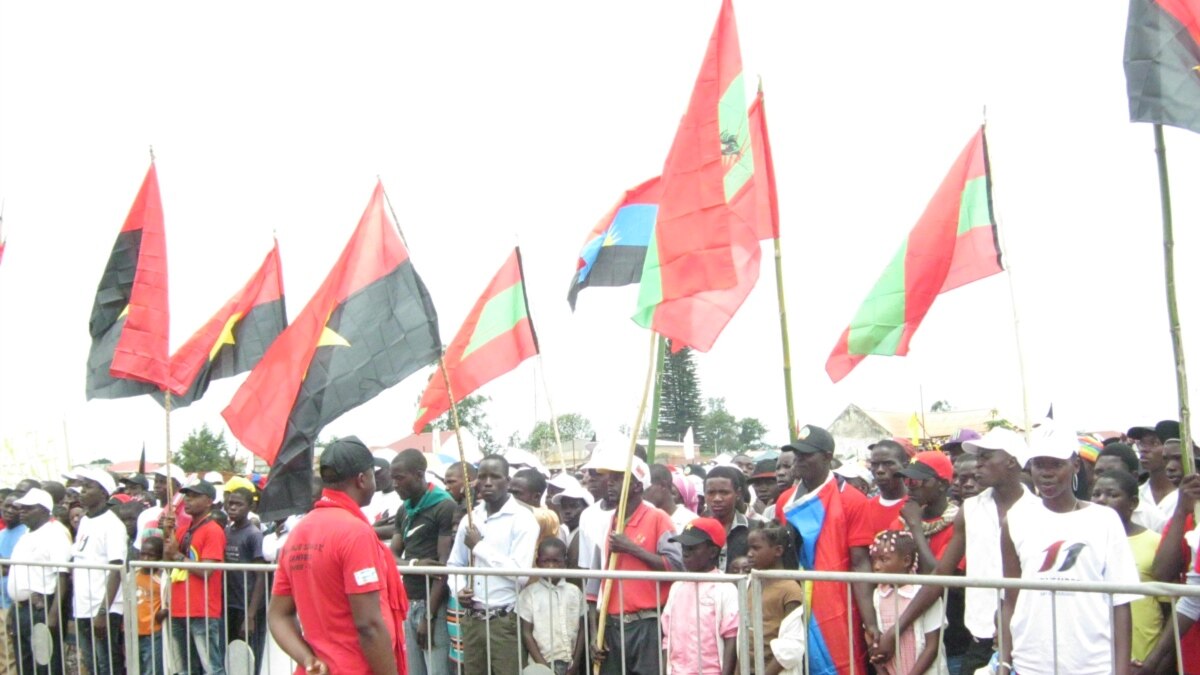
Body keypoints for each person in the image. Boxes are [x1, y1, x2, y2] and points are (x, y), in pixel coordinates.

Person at [871, 427, 1033, 675]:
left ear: (1011, 461)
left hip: (1031, 635)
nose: (978, 465)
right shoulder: (971, 510)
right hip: (981, 636)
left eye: (987, 457)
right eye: (978, 457)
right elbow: (940, 575)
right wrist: (896, 630)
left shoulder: (1040, 513)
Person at [999, 429, 1139, 675]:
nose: (1046, 472)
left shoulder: (1104, 520)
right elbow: (1011, 599)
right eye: (1039, 464)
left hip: (1093, 664)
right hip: (1031, 663)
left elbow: (1121, 603)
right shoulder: (1016, 519)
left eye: (1056, 464)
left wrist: (1121, 670)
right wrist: (1005, 661)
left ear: (1075, 465)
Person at [268, 436, 408, 675]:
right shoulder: (355, 533)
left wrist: (308, 660)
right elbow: (369, 625)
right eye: (372, 475)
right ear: (362, 480)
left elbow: (278, 616)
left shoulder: (299, 532)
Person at [775, 425, 873, 675]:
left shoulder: (852, 500)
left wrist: (870, 621)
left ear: (828, 457)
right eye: (797, 453)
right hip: (792, 604)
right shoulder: (785, 501)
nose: (799, 459)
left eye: (807, 454)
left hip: (836, 604)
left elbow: (860, 562)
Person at [589, 452, 682, 675]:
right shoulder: (605, 522)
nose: (610, 483)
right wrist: (595, 632)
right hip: (610, 624)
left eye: (619, 478)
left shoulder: (658, 518)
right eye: (609, 477)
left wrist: (632, 549)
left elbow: (676, 565)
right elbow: (593, 586)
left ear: (638, 486)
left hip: (647, 623)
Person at [447, 454, 539, 675]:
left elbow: (520, 574)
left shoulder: (523, 519)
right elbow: (454, 564)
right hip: (472, 619)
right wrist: (459, 589)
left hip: (504, 621)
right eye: (482, 476)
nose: (487, 482)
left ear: (507, 482)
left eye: (495, 477)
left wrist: (479, 547)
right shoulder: (470, 518)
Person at [1090, 470, 1167, 666]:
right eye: (1096, 494)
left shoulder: (1155, 542)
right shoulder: (1083, 543)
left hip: (1144, 658)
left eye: (1112, 494)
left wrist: (1155, 661)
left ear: (1133, 503)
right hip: (1096, 657)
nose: (1101, 500)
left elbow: (1168, 608)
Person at [391, 448, 456, 675]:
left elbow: (444, 565)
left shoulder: (444, 506)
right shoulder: (404, 510)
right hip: (408, 601)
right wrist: (415, 564)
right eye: (393, 478)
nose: (394, 484)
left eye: (399, 478)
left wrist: (429, 615)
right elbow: (392, 558)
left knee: (437, 671)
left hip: (433, 604)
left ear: (419, 475)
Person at [162, 480, 227, 675]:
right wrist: (167, 532)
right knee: (184, 668)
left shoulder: (213, 530)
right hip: (179, 608)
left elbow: (207, 570)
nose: (187, 500)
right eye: (187, 496)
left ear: (208, 501)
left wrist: (177, 556)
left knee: (211, 668)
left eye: (194, 496)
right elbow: (167, 561)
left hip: (202, 609)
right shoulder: (184, 529)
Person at [69, 467, 128, 675]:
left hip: (103, 606)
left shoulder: (112, 524)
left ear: (103, 492)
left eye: (88, 487)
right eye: (82, 486)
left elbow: (116, 568)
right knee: (91, 663)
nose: (82, 491)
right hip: (84, 605)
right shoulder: (85, 521)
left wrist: (103, 611)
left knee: (108, 664)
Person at [660, 518, 739, 675]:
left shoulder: (725, 588)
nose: (686, 553)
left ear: (712, 552)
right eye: (684, 547)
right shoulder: (677, 587)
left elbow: (731, 637)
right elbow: (667, 638)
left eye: (692, 548)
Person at [6, 488, 71, 675]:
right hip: (21, 608)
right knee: (25, 664)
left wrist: (52, 616)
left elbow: (62, 576)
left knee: (46, 664)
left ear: (43, 510)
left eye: (28, 508)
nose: (22, 512)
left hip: (40, 608)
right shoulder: (26, 535)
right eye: (22, 508)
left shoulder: (55, 534)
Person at [868, 530, 948, 675]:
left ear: (906, 561)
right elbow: (872, 638)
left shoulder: (924, 595)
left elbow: (933, 646)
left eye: (884, 559)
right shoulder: (878, 596)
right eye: (874, 560)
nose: (876, 566)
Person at [517, 538, 586, 675]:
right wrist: (544, 667)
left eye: (556, 561)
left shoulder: (575, 592)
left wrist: (576, 662)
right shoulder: (529, 594)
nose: (551, 566)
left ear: (565, 563)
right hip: (542, 663)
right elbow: (526, 633)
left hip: (569, 663)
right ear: (538, 563)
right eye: (546, 561)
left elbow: (582, 629)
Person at [745, 524, 804, 675]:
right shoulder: (750, 582)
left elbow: (792, 644)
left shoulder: (790, 589)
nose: (750, 554)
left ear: (778, 550)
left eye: (756, 548)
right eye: (749, 548)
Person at [223, 487, 267, 669]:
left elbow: (260, 576)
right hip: (230, 604)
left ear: (250, 506)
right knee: (232, 657)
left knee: (250, 658)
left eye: (239, 504)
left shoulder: (254, 535)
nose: (233, 508)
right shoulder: (227, 531)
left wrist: (250, 614)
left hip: (248, 606)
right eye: (230, 504)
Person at [896, 451, 957, 570]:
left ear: (942, 485)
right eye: (906, 481)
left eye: (915, 482)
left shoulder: (958, 524)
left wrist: (915, 526)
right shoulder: (902, 521)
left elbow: (938, 577)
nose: (909, 487)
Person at [1128, 421, 1180, 525]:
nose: (1143, 449)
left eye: (1154, 443)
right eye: (1142, 443)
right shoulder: (1134, 494)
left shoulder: (1190, 495)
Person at [0, 493, 27, 674]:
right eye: (6, 506)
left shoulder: (26, 532)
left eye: (15, 507)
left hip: (13, 602)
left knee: (10, 650)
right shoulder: (1, 533)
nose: (9, 510)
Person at [705, 466, 750, 573]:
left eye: (724, 493)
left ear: (738, 494)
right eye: (711, 493)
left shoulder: (754, 529)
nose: (717, 499)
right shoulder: (696, 531)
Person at [136, 536, 169, 675]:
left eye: (151, 556)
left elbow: (170, 599)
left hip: (153, 632)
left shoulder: (162, 578)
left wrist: (165, 611)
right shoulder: (133, 574)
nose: (146, 559)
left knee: (152, 670)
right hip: (135, 632)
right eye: (143, 554)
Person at [863, 440, 910, 536]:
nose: (880, 470)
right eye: (874, 464)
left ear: (905, 466)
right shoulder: (865, 508)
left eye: (888, 464)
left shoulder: (917, 507)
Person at [645, 464, 696, 533]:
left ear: (663, 485)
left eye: (647, 489)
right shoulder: (645, 520)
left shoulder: (691, 522)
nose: (643, 495)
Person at [364, 457, 404, 541]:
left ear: (390, 470)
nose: (374, 478)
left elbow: (399, 529)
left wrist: (369, 530)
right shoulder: (370, 499)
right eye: (371, 475)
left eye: (377, 473)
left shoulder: (403, 496)